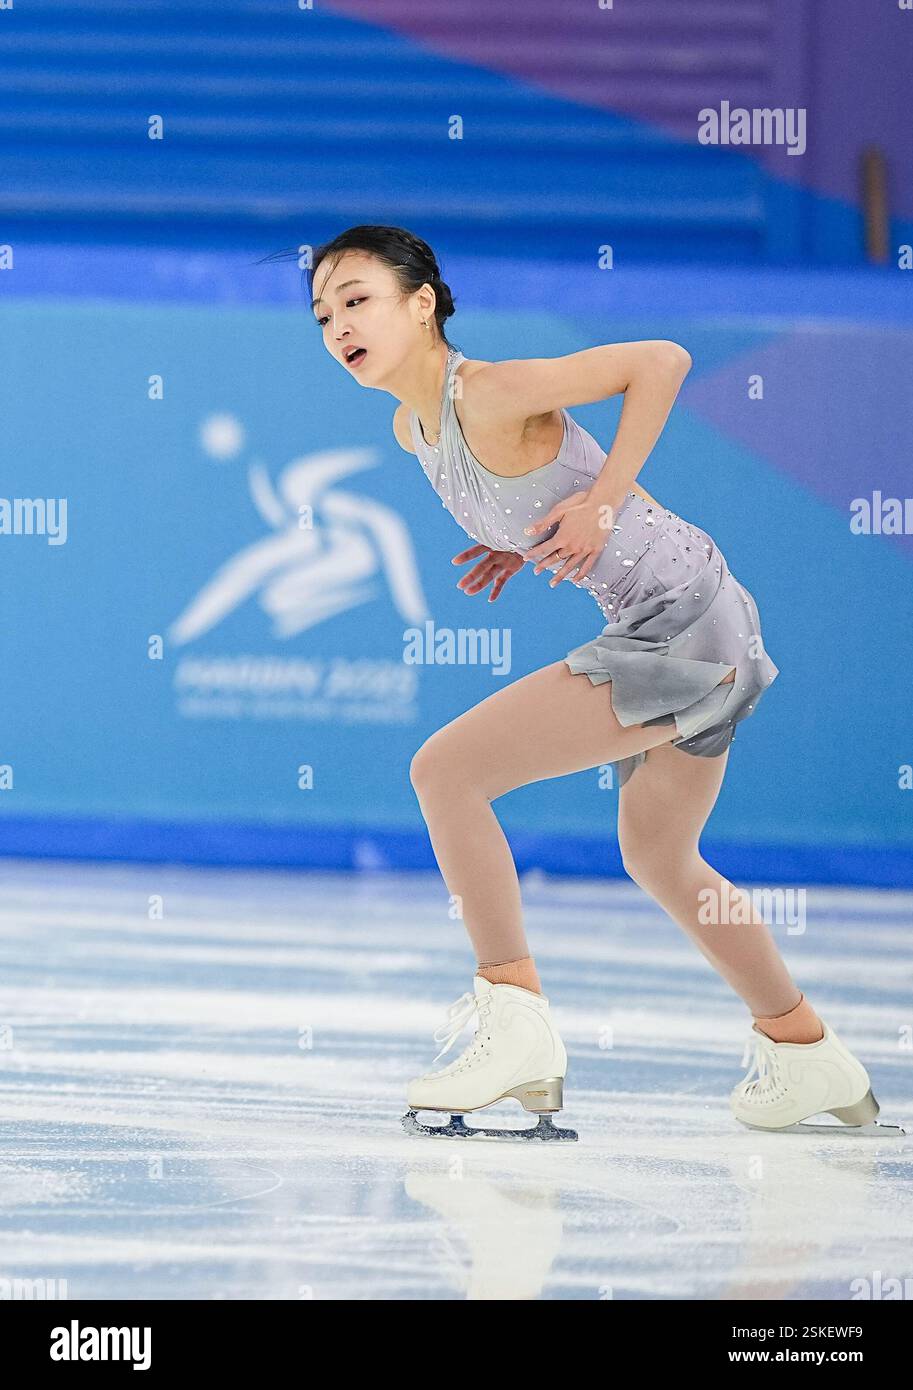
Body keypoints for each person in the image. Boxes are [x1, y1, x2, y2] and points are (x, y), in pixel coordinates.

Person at [301, 223, 895, 1140]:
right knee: (660, 855)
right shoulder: (410, 424)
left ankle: (514, 1020)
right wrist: (514, 544)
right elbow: (537, 486)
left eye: (357, 299)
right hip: (699, 614)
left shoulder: (488, 389)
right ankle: (807, 1053)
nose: (338, 325)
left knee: (446, 772)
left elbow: (658, 359)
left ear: (422, 304)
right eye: (323, 313)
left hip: (685, 624)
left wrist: (604, 497)